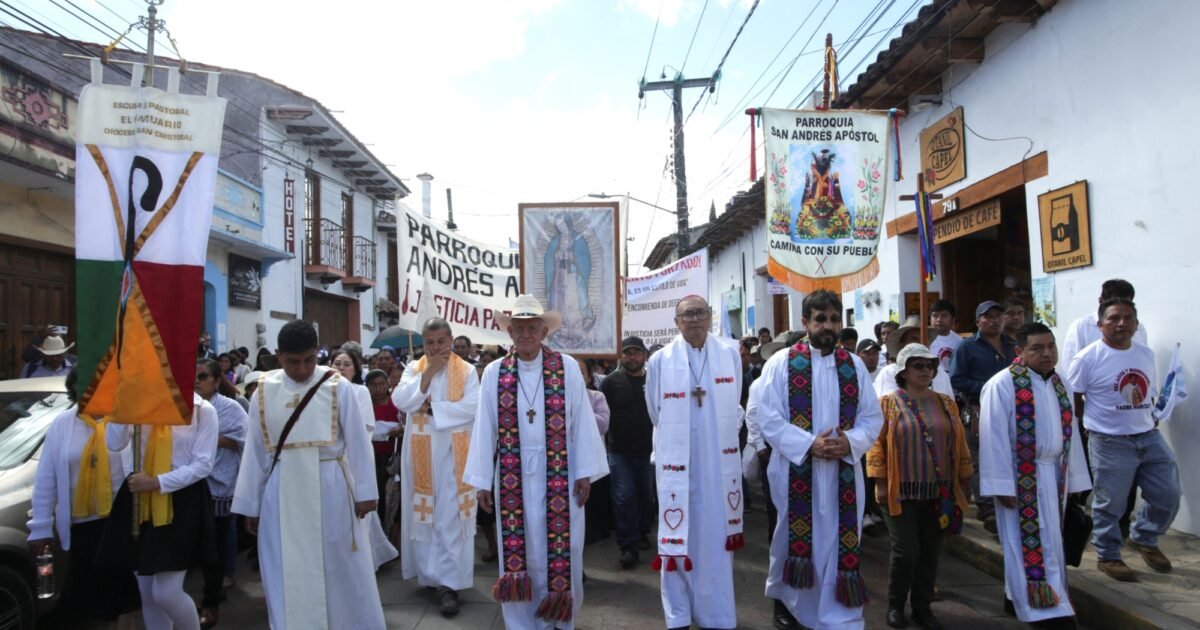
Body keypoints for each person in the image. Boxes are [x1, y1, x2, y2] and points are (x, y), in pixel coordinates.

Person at [464, 294, 608, 629]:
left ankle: (560, 616)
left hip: (561, 470)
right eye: (519, 328)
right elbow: (484, 427)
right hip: (512, 475)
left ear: (544, 331)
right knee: (519, 551)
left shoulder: (566, 367)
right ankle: (522, 623)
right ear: (510, 332)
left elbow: (582, 422)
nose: (525, 334)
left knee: (564, 546)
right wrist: (482, 481)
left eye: (532, 327)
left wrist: (585, 473)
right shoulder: (495, 372)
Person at [231, 320, 384, 629]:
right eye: (292, 362)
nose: (301, 369)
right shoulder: (263, 392)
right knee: (286, 567)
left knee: (339, 566)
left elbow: (357, 441)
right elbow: (256, 452)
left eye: (308, 360)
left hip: (332, 488)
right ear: (278, 356)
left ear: (318, 354)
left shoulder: (337, 386)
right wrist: (251, 504)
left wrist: (366, 493)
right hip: (281, 492)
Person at [751, 290, 884, 630]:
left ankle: (839, 608)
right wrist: (809, 444)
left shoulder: (853, 365)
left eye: (834, 319)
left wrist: (849, 443)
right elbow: (767, 416)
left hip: (842, 471)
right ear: (805, 322)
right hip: (797, 468)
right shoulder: (781, 363)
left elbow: (872, 418)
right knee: (790, 536)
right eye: (820, 319)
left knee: (842, 536)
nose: (828, 325)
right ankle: (788, 602)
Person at [980, 323, 1091, 626]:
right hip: (1020, 478)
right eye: (1037, 348)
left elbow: (1072, 435)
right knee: (1027, 544)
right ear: (1020, 352)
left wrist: (1077, 480)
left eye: (1050, 346)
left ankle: (1015, 595)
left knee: (1052, 543)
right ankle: (1046, 610)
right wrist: (1001, 484)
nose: (1046, 353)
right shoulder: (1002, 384)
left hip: (1054, 474)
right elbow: (994, 438)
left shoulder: (1060, 383)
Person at [645, 296, 745, 630]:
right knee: (679, 539)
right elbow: (655, 412)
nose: (695, 320)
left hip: (718, 467)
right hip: (678, 464)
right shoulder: (660, 360)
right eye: (688, 314)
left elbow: (735, 407)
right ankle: (678, 615)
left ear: (710, 317)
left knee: (715, 541)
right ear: (677, 321)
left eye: (701, 313)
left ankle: (717, 614)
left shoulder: (729, 356)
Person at [1067, 299, 1180, 582]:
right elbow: (1073, 396)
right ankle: (1108, 554)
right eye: (1114, 318)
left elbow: (1147, 391)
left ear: (1136, 323)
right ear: (1100, 324)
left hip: (1148, 436)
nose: (1121, 323)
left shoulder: (1145, 353)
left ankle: (1144, 537)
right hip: (1109, 441)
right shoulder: (1087, 357)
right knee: (1111, 503)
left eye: (1128, 318)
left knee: (1168, 494)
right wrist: (1089, 426)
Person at [868, 344, 973, 629]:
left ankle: (922, 608)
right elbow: (876, 444)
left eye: (929, 366)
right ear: (904, 372)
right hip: (900, 491)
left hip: (938, 491)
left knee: (930, 550)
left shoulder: (946, 403)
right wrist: (879, 481)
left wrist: (964, 478)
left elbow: (959, 442)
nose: (925, 371)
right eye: (918, 366)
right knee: (906, 551)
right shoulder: (887, 403)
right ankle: (895, 605)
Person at [27, 368, 139, 625]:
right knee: (82, 600)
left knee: (123, 599)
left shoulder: (123, 421)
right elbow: (46, 479)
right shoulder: (62, 425)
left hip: (118, 523)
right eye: (82, 385)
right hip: (81, 528)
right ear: (73, 389)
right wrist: (40, 527)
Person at [98, 392, 220, 630]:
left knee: (166, 592)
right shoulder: (140, 402)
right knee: (146, 590)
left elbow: (203, 464)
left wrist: (157, 482)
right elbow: (114, 443)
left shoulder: (202, 410)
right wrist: (125, 403)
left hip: (181, 500)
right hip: (140, 498)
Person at [392, 318, 481, 617]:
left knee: (451, 518)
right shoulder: (414, 368)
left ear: (451, 340)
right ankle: (431, 575)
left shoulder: (466, 370)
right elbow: (401, 400)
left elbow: (473, 406)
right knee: (425, 515)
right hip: (421, 455)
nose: (436, 348)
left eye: (441, 341)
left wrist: (434, 409)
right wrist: (427, 374)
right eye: (429, 343)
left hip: (455, 456)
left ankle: (450, 585)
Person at [1059, 279, 1149, 542]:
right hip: (1096, 419)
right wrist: (1079, 419)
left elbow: (1140, 364)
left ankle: (1121, 525)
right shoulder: (1083, 327)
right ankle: (1084, 524)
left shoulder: (1137, 328)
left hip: (1131, 416)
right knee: (1094, 474)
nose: (1123, 323)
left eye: (1129, 307)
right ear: (1100, 303)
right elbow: (1072, 377)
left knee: (1128, 475)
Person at [950, 300, 1018, 533]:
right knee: (980, 459)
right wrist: (991, 389)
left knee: (1009, 454)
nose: (994, 320)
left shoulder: (1012, 345)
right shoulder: (966, 347)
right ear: (978, 321)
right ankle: (987, 508)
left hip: (1013, 410)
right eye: (987, 316)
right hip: (979, 409)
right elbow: (956, 380)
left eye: (998, 316)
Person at [193, 359, 248, 629]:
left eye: (203, 376)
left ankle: (211, 601)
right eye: (194, 377)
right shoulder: (184, 407)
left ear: (216, 381)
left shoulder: (230, 408)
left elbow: (246, 440)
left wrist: (211, 437)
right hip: (189, 485)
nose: (197, 381)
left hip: (219, 487)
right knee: (195, 548)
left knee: (213, 548)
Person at [600, 336, 655, 569]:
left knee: (646, 495)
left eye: (636, 352)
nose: (631, 357)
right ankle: (628, 545)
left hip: (649, 451)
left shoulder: (655, 380)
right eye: (627, 353)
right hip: (619, 451)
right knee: (624, 497)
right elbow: (602, 414)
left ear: (644, 355)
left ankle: (642, 532)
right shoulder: (610, 382)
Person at [875, 317, 954, 398]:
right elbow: (886, 407)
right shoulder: (889, 373)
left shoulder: (940, 372)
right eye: (914, 339)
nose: (920, 343)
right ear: (901, 345)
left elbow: (950, 405)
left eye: (923, 339)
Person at [580, 357, 613, 546]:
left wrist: (579, 406)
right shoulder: (553, 398)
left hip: (592, 463)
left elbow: (602, 425)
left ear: (588, 377)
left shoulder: (596, 397)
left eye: (581, 372)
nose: (577, 376)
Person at [927, 300, 962, 374]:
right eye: (935, 316)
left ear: (953, 319)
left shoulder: (960, 341)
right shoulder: (924, 339)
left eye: (944, 316)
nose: (939, 320)